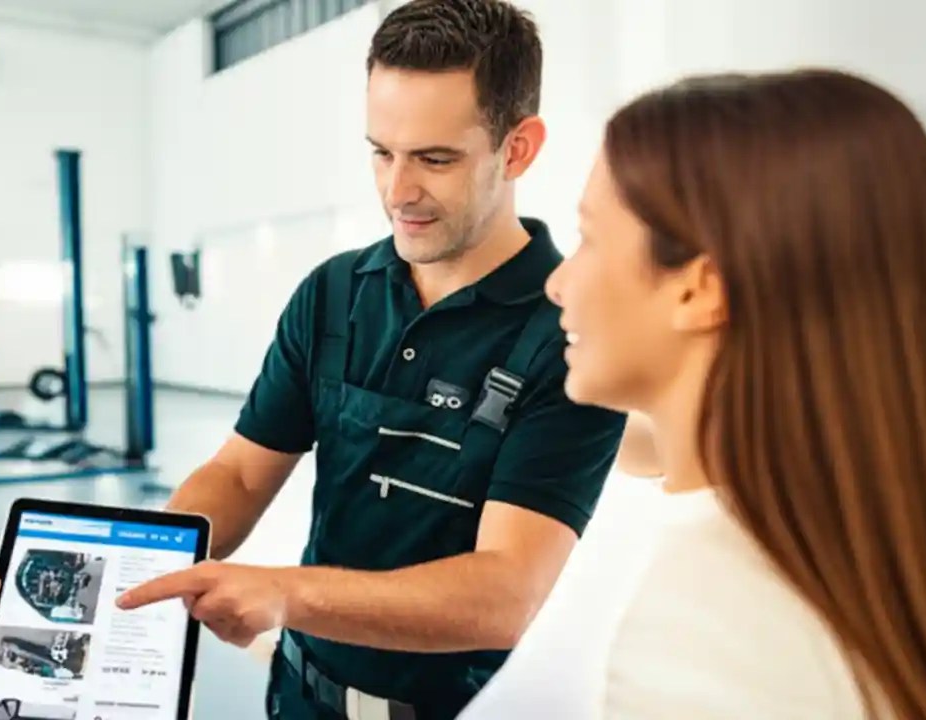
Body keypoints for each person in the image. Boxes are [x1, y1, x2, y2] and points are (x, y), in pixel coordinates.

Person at [117, 1, 627, 718]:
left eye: (435, 159)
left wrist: (285, 593)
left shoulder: (569, 337)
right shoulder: (333, 294)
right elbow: (238, 471)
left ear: (517, 149)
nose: (397, 191)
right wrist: (137, 570)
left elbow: (504, 592)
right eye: (381, 152)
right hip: (298, 694)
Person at [464, 69, 926, 718]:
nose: (558, 285)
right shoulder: (871, 541)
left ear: (699, 289)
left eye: (589, 239)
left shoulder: (700, 620)